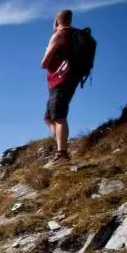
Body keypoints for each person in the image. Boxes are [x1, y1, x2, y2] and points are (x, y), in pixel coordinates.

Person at [41, 9, 78, 162]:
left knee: (58, 117)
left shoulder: (59, 35)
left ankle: (62, 154)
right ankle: (60, 147)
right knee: (49, 117)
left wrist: (47, 52)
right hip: (69, 79)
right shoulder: (74, 36)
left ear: (56, 22)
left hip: (59, 80)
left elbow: (44, 63)